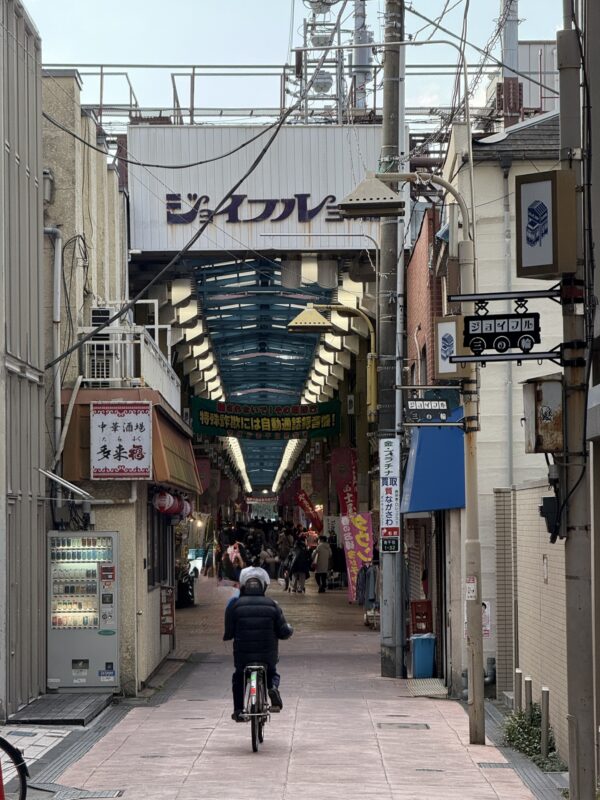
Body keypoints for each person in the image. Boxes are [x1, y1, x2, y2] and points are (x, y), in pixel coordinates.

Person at [223, 566, 293, 722]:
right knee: (272, 672)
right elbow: (283, 631)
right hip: (267, 655)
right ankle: (272, 688)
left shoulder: (235, 606)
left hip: (243, 656)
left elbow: (228, 633)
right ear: (263, 586)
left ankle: (238, 710)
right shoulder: (272, 605)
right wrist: (288, 631)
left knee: (239, 677)